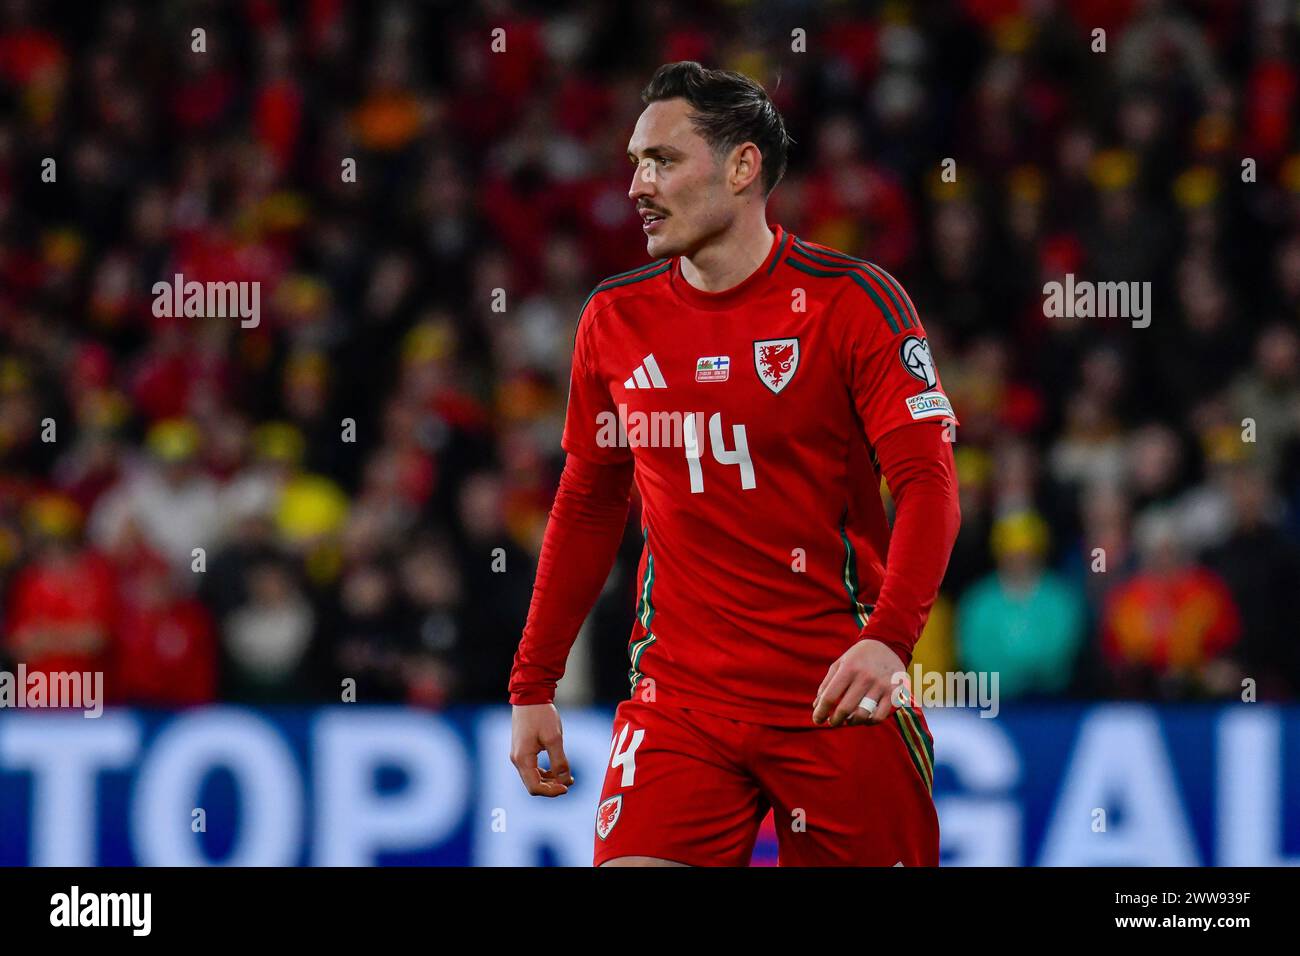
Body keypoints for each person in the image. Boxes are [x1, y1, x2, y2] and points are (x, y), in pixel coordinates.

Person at [507, 62, 961, 867]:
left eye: (663, 161)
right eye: (634, 163)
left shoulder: (853, 301)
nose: (637, 185)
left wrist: (891, 640)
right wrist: (534, 682)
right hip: (680, 700)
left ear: (743, 166)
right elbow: (586, 504)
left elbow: (927, 482)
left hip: (837, 692)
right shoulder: (614, 319)